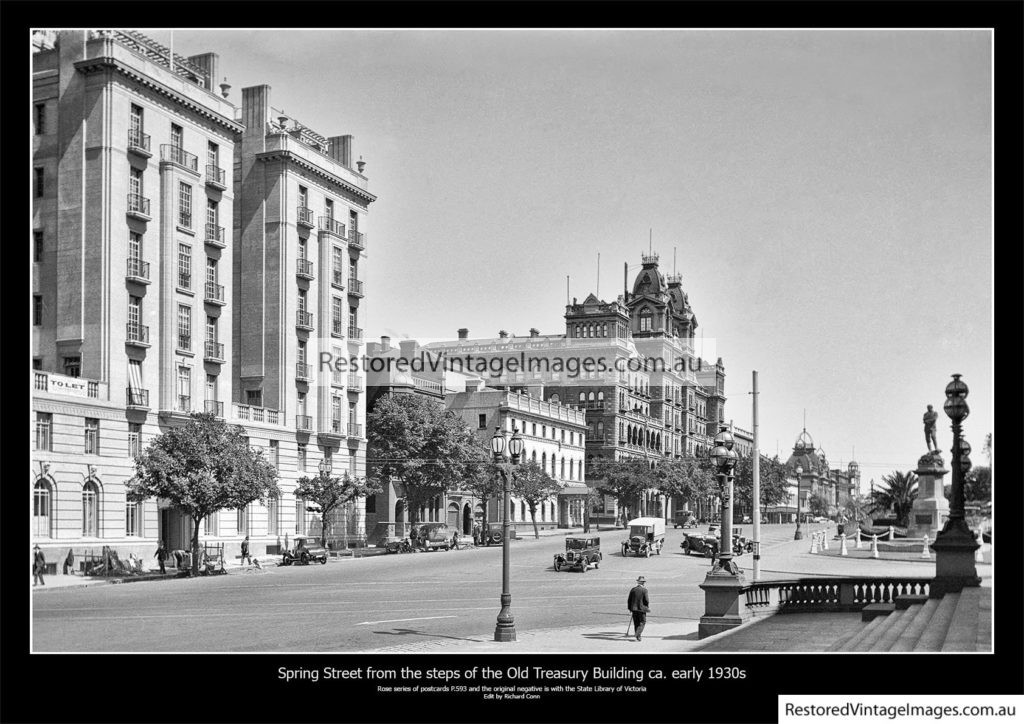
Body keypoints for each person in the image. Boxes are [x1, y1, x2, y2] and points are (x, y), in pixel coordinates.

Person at [627, 575, 650, 641]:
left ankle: (638, 636)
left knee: (636, 622)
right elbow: (646, 600)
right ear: (643, 583)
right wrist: (646, 607)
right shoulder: (644, 590)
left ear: (638, 582)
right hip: (641, 609)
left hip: (634, 609)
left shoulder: (633, 589)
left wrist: (630, 609)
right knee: (643, 621)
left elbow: (629, 600)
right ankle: (637, 634)